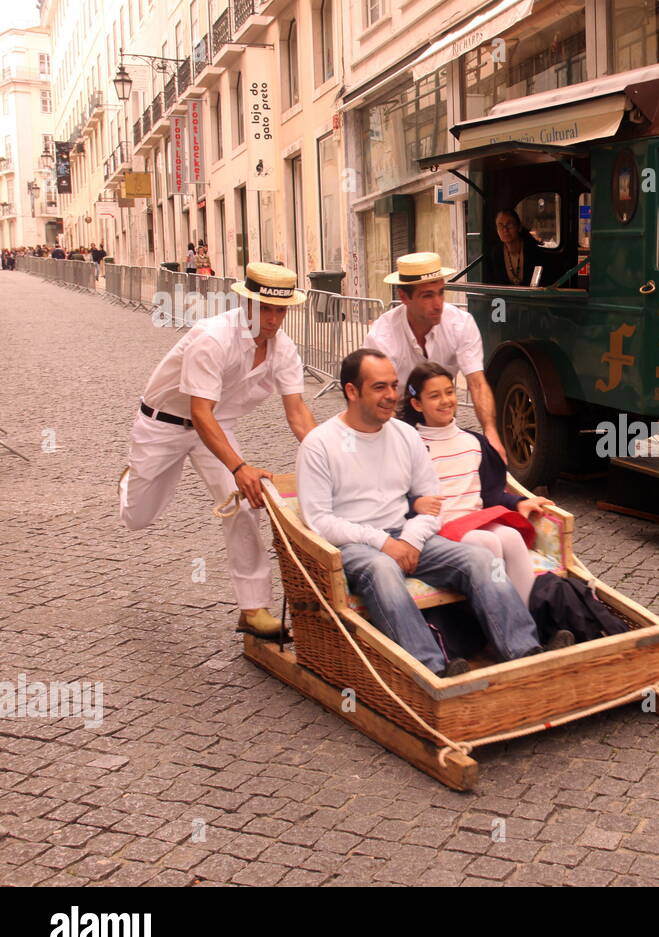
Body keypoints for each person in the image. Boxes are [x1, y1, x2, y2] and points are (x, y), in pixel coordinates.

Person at [296, 349, 560, 677]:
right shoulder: (320, 444)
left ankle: (523, 651)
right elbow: (319, 521)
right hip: (353, 547)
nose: (392, 395)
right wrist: (383, 543)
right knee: (382, 569)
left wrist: (409, 538)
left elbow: (432, 503)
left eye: (394, 386)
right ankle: (432, 671)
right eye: (379, 387)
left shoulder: (405, 436)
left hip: (407, 536)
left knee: (480, 560)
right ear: (352, 391)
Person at [119, 262, 318, 639]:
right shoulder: (212, 338)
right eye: (266, 309)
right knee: (138, 517)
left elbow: (297, 413)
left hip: (217, 429)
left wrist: (331, 457)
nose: (274, 319)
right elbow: (199, 411)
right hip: (164, 423)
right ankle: (131, 480)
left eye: (281, 310)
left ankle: (253, 608)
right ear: (248, 304)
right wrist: (240, 466)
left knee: (245, 504)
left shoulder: (283, 347)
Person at [401, 361, 552, 603]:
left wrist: (519, 502)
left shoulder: (475, 442)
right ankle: (499, 626)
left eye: (449, 392)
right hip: (438, 529)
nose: (446, 400)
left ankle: (532, 621)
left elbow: (491, 494)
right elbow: (398, 497)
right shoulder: (410, 446)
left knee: (511, 536)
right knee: (488, 541)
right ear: (417, 404)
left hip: (476, 519)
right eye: (434, 396)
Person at [363, 252, 506, 460]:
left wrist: (491, 432)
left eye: (441, 293)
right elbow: (378, 399)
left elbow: (477, 384)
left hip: (440, 413)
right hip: (395, 414)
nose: (438, 303)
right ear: (404, 297)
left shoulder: (461, 323)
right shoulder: (382, 336)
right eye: (427, 296)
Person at [484, 209, 552, 287]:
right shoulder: (495, 253)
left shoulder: (534, 251)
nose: (505, 229)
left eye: (509, 224)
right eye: (500, 225)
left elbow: (542, 283)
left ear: (519, 227)